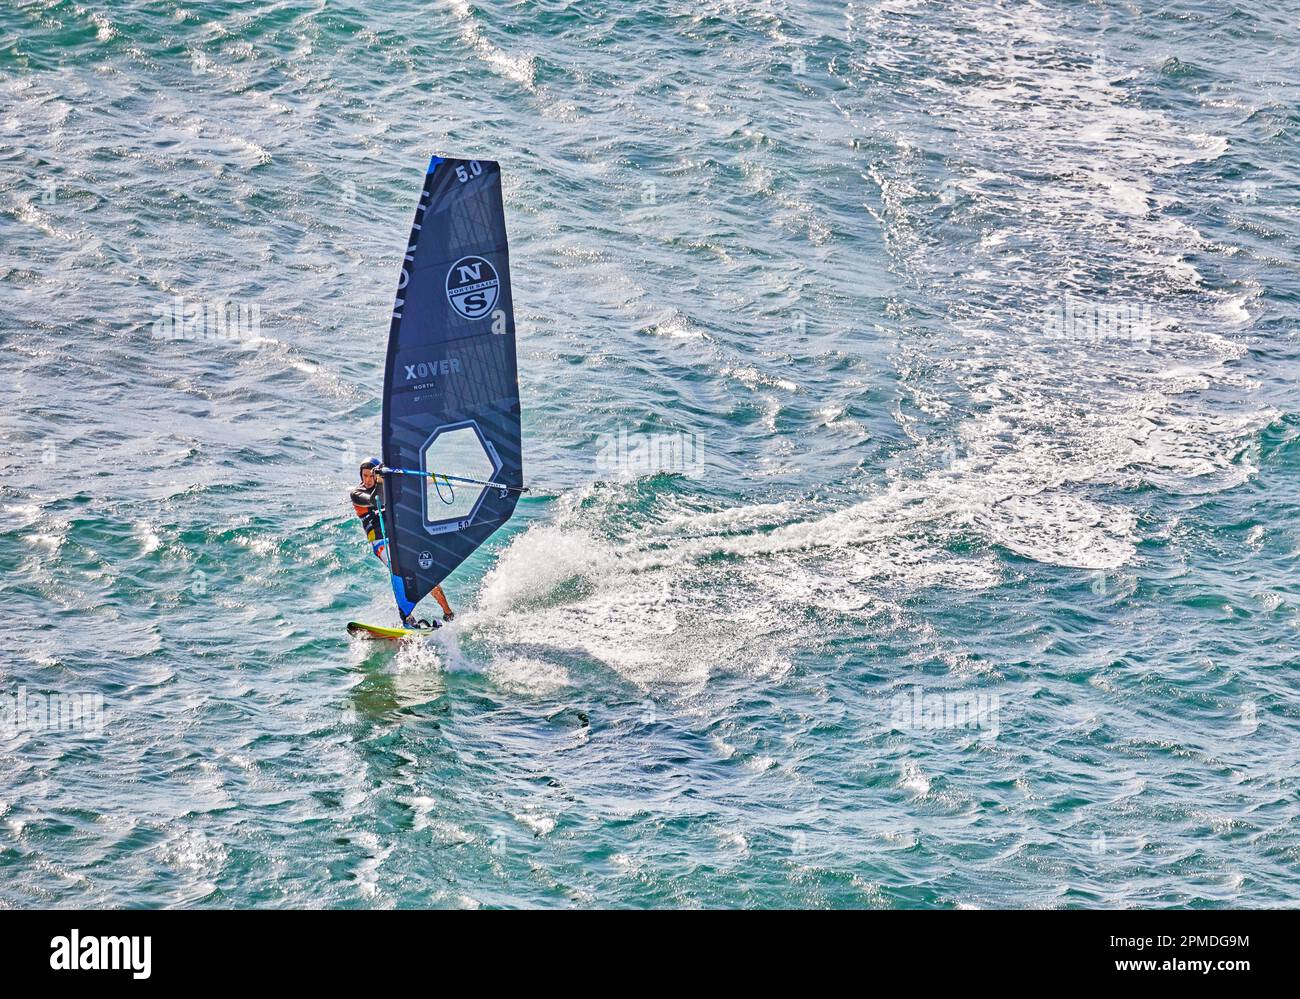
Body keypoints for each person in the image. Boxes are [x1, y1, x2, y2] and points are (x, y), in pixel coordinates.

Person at [350, 459, 455, 626]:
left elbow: (406, 492)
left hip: (399, 538)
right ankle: (407, 617)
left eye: (371, 476)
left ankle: (448, 613)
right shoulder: (357, 493)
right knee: (401, 572)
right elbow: (375, 498)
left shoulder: (388, 488)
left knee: (426, 573)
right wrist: (382, 479)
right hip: (380, 542)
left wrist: (418, 483)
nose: (368, 479)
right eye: (365, 476)